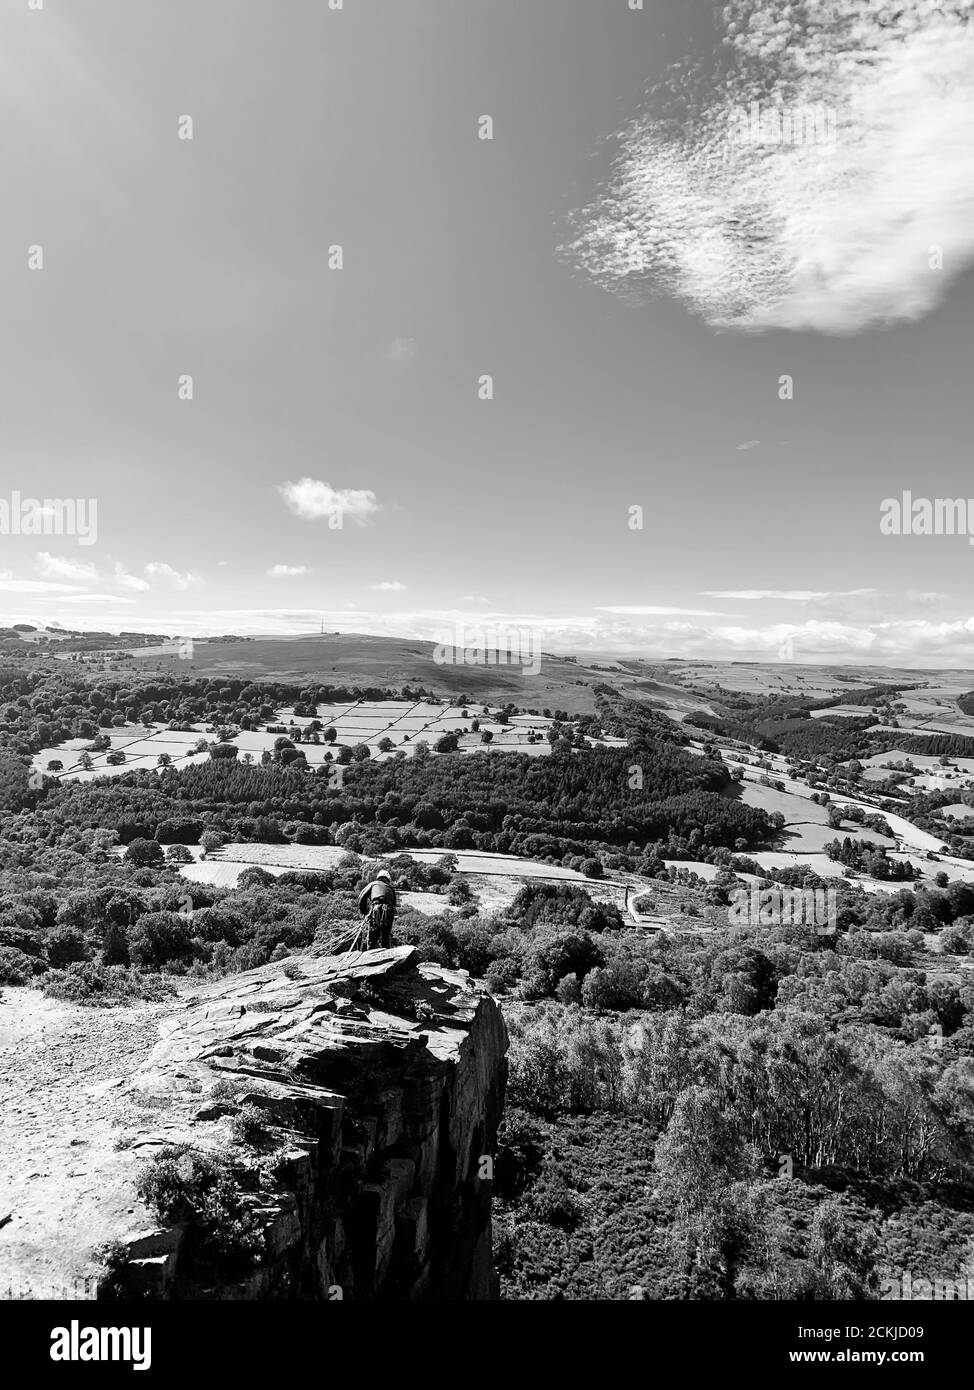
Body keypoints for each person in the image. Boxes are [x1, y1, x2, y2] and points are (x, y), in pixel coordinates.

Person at [357, 868, 397, 949]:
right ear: (388, 880)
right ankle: (387, 955)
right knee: (385, 936)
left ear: (378, 878)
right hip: (388, 911)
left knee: (373, 936)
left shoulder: (373, 884)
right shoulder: (391, 888)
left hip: (376, 910)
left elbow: (362, 897)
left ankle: (370, 953)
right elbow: (394, 905)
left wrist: (364, 912)